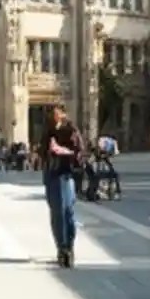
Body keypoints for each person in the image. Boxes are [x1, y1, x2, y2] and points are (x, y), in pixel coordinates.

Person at [41, 103, 83, 268]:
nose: (53, 116)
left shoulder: (70, 130)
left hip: (66, 174)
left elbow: (79, 153)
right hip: (51, 174)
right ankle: (61, 247)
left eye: (55, 113)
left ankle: (68, 247)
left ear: (63, 114)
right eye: (50, 113)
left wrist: (61, 150)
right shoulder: (48, 130)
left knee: (67, 211)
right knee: (56, 212)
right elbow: (43, 150)